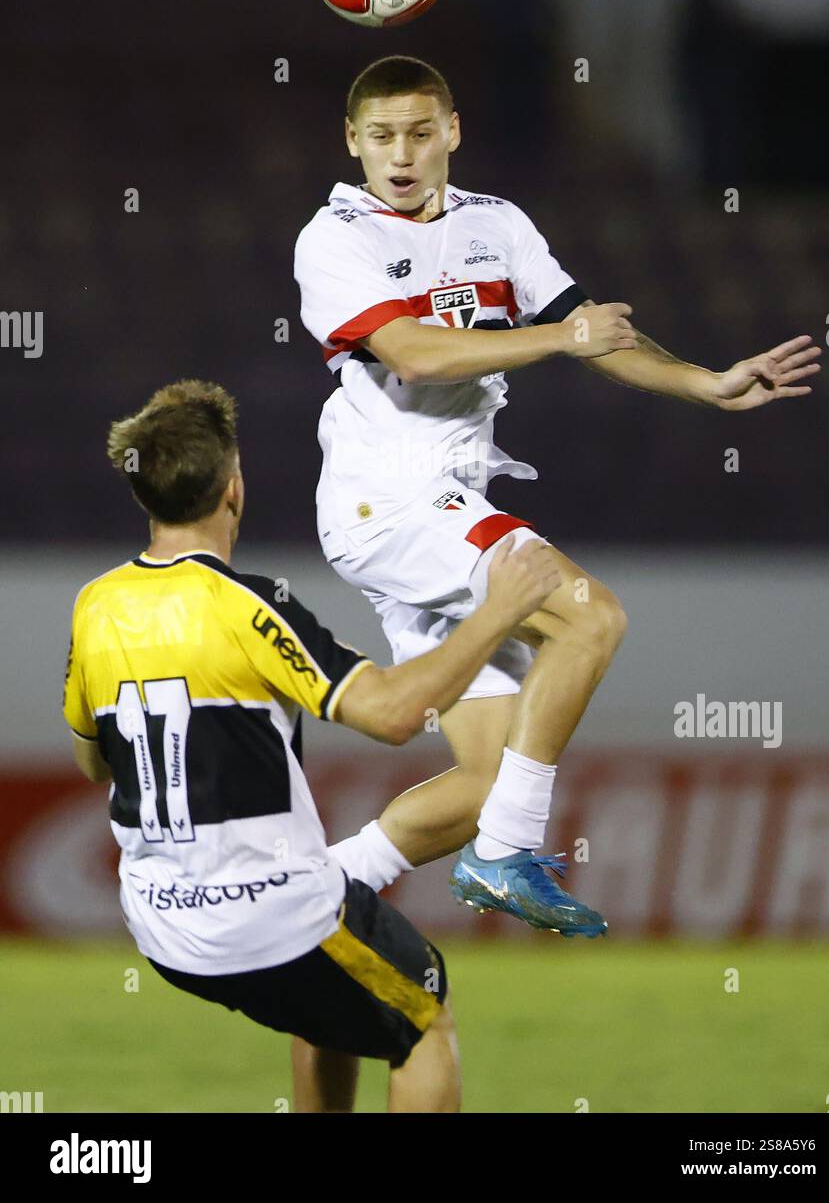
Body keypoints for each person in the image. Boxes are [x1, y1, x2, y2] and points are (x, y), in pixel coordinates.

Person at [293, 53, 821, 935]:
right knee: (590, 614)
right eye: (381, 136)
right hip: (390, 496)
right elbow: (416, 353)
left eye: (421, 132)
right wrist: (555, 337)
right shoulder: (335, 237)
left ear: (453, 132)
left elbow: (598, 333)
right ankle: (507, 856)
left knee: (487, 781)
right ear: (351, 142)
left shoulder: (497, 225)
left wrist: (706, 385)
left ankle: (313, 886)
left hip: (440, 500)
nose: (402, 153)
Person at [62, 378, 561, 1113]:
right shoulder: (251, 603)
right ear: (234, 488)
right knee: (422, 1014)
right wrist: (500, 611)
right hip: (264, 915)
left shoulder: (96, 604)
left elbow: (92, 758)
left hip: (161, 923)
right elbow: (393, 716)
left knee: (331, 999)